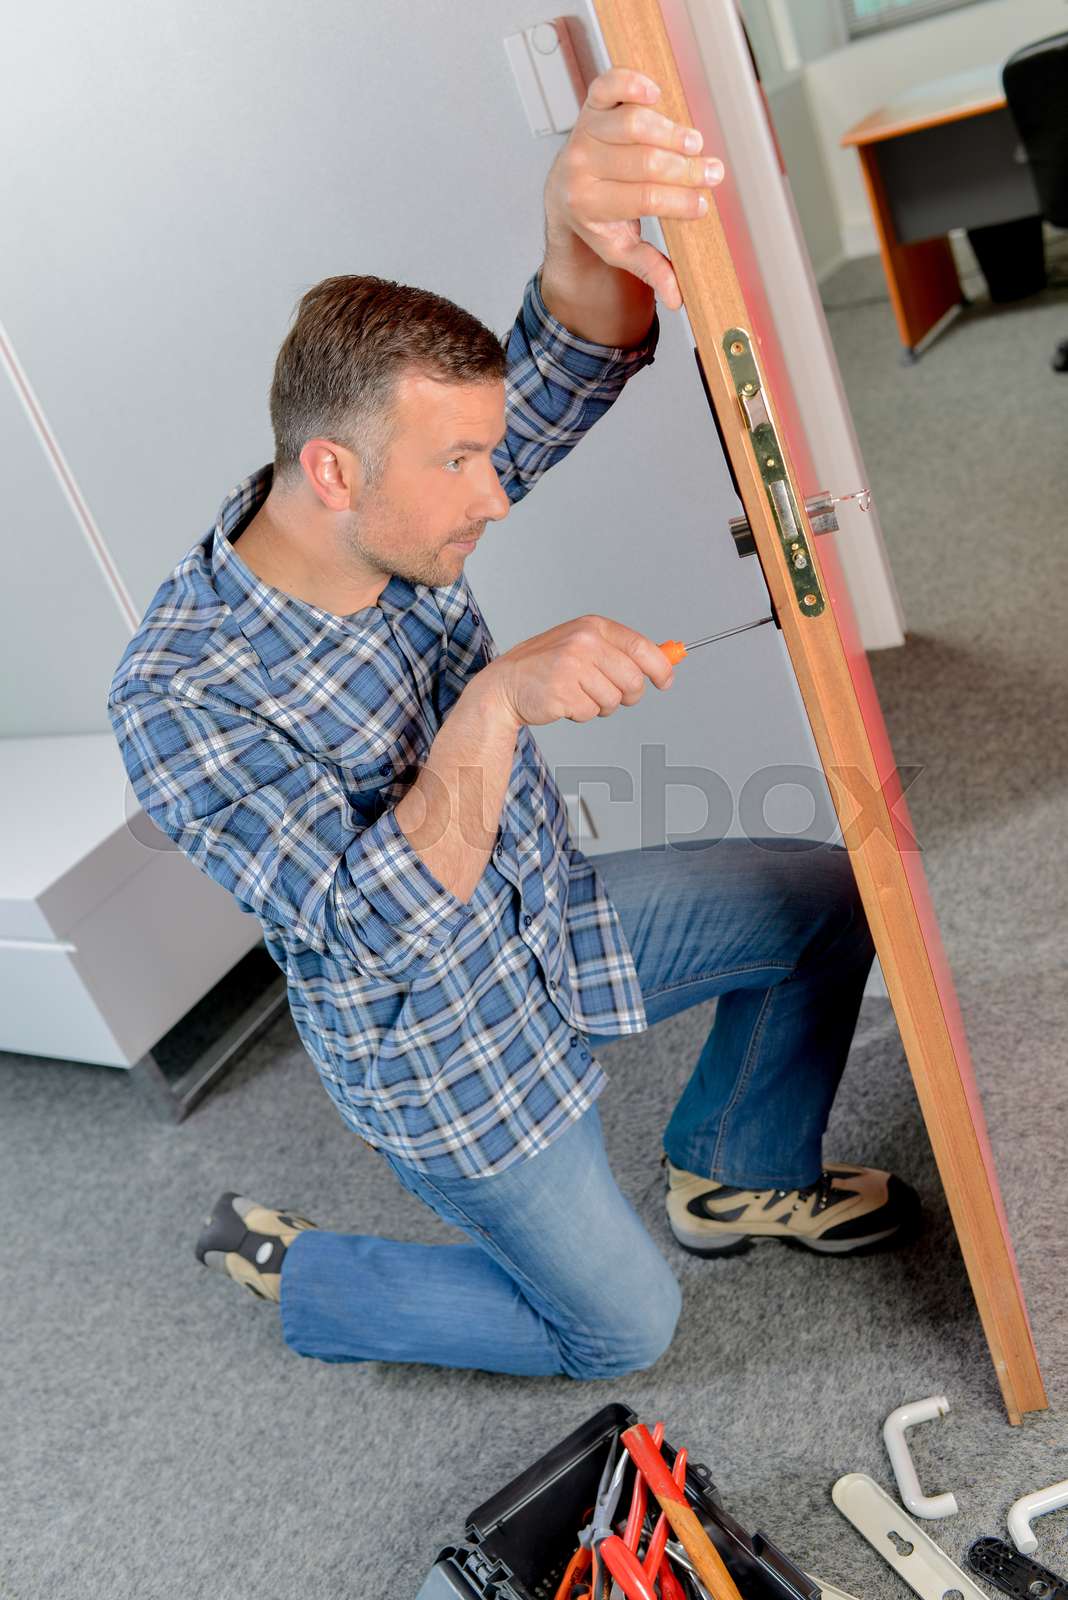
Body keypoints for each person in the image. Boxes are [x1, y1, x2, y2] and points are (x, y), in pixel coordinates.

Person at [108, 69, 918, 1381]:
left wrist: (571, 229)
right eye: (463, 466)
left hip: (554, 924)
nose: (497, 493)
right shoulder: (179, 695)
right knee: (624, 1332)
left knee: (835, 894)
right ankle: (302, 1269)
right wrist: (492, 705)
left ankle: (730, 1171)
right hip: (451, 1060)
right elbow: (377, 924)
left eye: (490, 457)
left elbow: (569, 365)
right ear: (333, 469)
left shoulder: (389, 504)